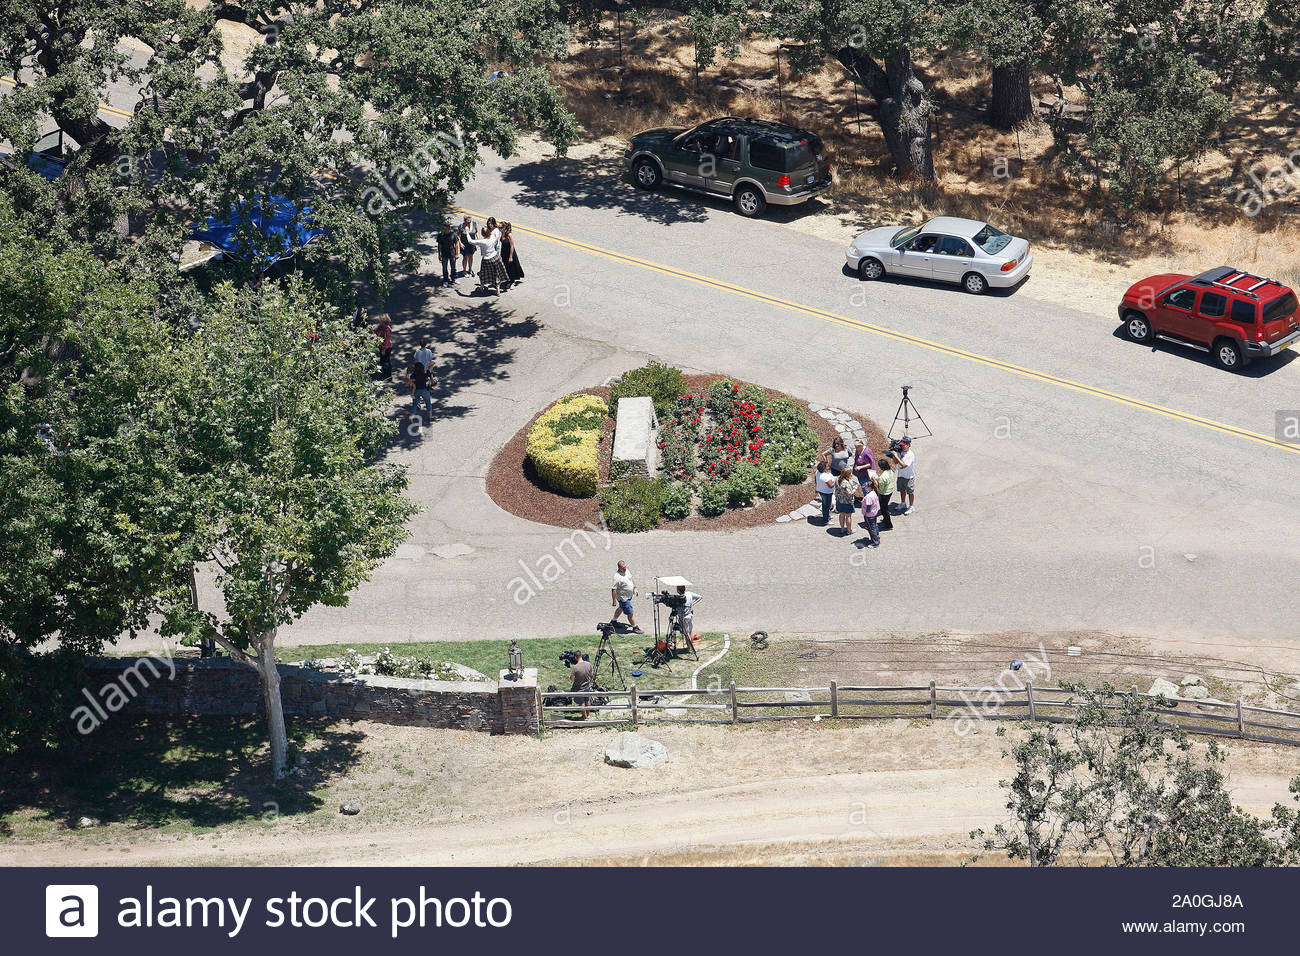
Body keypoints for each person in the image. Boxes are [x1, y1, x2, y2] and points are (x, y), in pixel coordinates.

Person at [473, 217, 508, 295]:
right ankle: (484, 287)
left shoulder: (496, 230)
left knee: (493, 272)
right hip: (489, 251)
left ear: (494, 223)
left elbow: (495, 240)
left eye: (491, 224)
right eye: (488, 224)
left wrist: (486, 242)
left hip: (493, 251)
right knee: (488, 272)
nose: (490, 225)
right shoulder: (489, 230)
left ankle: (494, 288)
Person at [610, 560, 642, 633]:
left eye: (625, 566)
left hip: (629, 595)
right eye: (623, 568)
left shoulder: (627, 571)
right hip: (623, 598)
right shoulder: (617, 577)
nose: (625, 569)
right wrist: (614, 601)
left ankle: (613, 621)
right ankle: (635, 627)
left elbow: (631, 579)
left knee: (621, 608)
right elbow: (614, 589)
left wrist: (635, 588)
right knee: (630, 613)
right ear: (619, 568)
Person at [889, 436, 916, 515]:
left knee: (910, 492)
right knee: (902, 490)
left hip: (909, 477)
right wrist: (894, 455)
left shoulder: (910, 454)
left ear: (908, 445)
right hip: (901, 475)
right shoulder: (900, 452)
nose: (902, 446)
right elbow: (896, 462)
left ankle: (911, 506)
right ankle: (903, 503)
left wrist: (897, 456)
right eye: (901, 445)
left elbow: (904, 465)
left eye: (904, 445)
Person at [834, 467, 861, 536]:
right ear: (847, 474)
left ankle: (842, 529)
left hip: (839, 500)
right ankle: (849, 531)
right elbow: (849, 493)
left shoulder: (837, 479)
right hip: (847, 502)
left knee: (841, 515)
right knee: (848, 516)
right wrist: (855, 488)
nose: (851, 474)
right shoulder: (846, 483)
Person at [874, 453, 896, 531]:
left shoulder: (883, 477)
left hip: (884, 494)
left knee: (884, 509)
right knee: (885, 507)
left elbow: (880, 488)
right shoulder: (890, 471)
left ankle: (888, 525)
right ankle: (885, 519)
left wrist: (875, 481)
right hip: (890, 491)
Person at [569, 652, 593, 719]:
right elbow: (591, 674)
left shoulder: (575, 667)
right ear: (581, 656)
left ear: (575, 657)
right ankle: (588, 715)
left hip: (578, 688)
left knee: (581, 702)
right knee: (587, 700)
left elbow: (572, 678)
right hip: (587, 686)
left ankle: (585, 718)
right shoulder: (589, 664)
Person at [500, 221, 525, 287]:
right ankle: (508, 280)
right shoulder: (502, 232)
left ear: (504, 227)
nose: (499, 228)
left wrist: (510, 256)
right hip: (504, 252)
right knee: (506, 267)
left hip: (509, 253)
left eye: (501, 227)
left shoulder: (509, 235)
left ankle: (512, 282)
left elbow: (512, 246)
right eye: (499, 227)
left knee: (511, 267)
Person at [860, 474, 881, 548]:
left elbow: (868, 507)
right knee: (874, 526)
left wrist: (866, 513)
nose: (865, 487)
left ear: (869, 487)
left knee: (871, 529)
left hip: (869, 515)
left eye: (866, 486)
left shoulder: (869, 496)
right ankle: (876, 537)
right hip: (874, 513)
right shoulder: (874, 493)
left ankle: (875, 542)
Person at [814, 458, 835, 524]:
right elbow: (831, 485)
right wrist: (837, 480)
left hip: (821, 490)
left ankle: (827, 516)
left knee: (825, 504)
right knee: (826, 506)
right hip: (826, 492)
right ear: (823, 468)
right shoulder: (825, 476)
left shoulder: (817, 472)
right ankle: (826, 520)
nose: (829, 467)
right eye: (827, 466)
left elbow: (815, 480)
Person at [374, 313, 393, 381]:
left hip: (386, 348)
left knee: (385, 361)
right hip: (382, 347)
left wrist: (384, 349)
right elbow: (376, 332)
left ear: (383, 322)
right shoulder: (381, 327)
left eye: (380, 320)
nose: (379, 321)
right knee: (383, 361)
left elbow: (386, 341)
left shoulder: (387, 329)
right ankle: (385, 373)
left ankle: (388, 376)